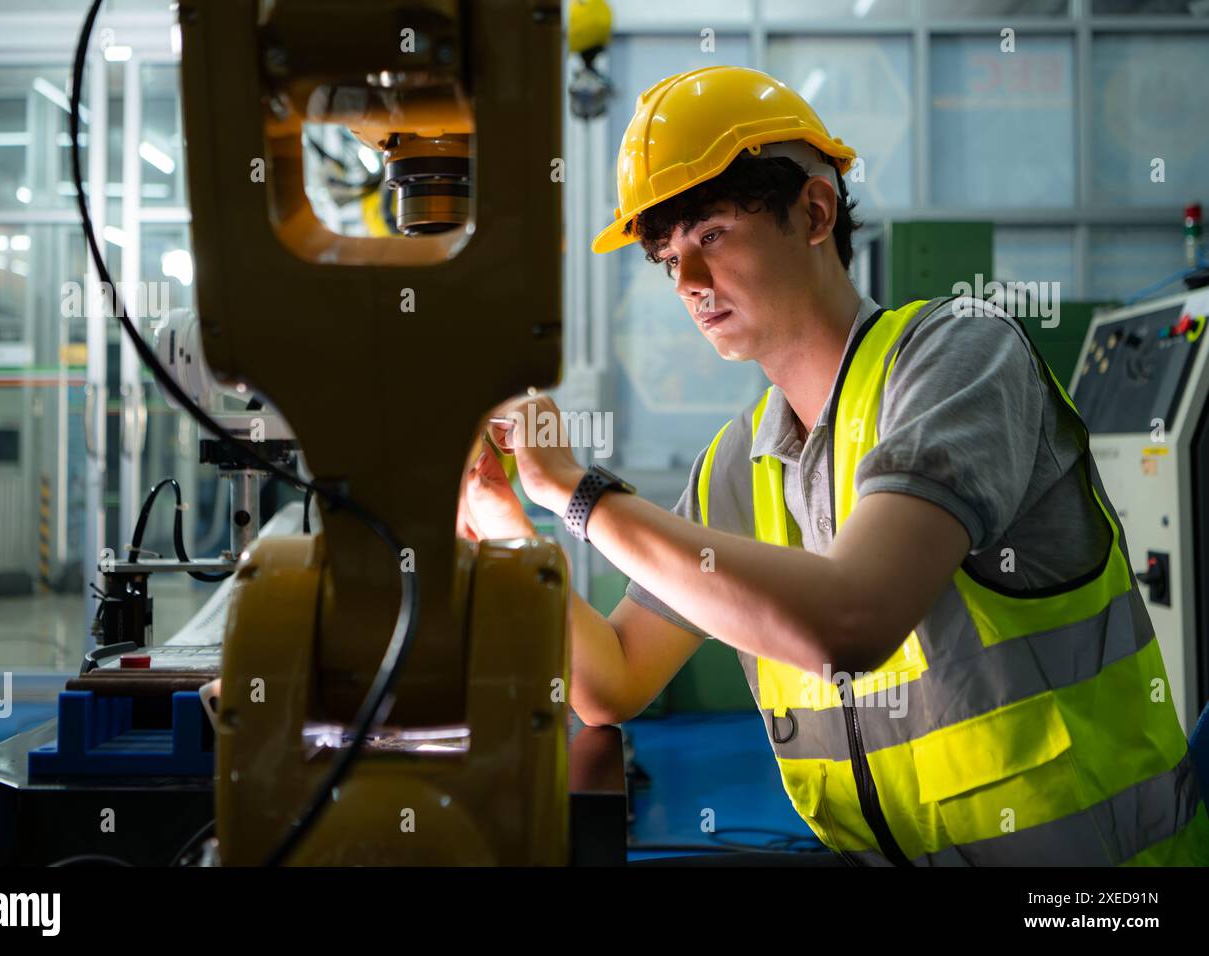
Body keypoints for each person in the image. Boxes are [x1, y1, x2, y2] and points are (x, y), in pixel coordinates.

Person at [458, 66, 1208, 866]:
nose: (689, 282)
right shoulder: (735, 468)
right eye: (668, 255)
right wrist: (511, 524)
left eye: (711, 234)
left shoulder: (961, 353)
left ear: (815, 213)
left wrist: (574, 490)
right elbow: (611, 682)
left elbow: (853, 621)